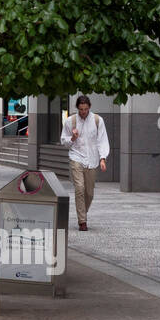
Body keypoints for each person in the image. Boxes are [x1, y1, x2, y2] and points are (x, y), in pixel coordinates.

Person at [60, 95, 109, 231]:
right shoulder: (71, 121)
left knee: (89, 193)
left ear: (89, 107)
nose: (83, 112)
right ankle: (82, 221)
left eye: (86, 109)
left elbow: (102, 140)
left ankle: (82, 213)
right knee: (79, 188)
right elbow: (64, 141)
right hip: (76, 157)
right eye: (81, 109)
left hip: (92, 160)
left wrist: (102, 158)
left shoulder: (98, 120)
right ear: (77, 108)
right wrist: (73, 138)